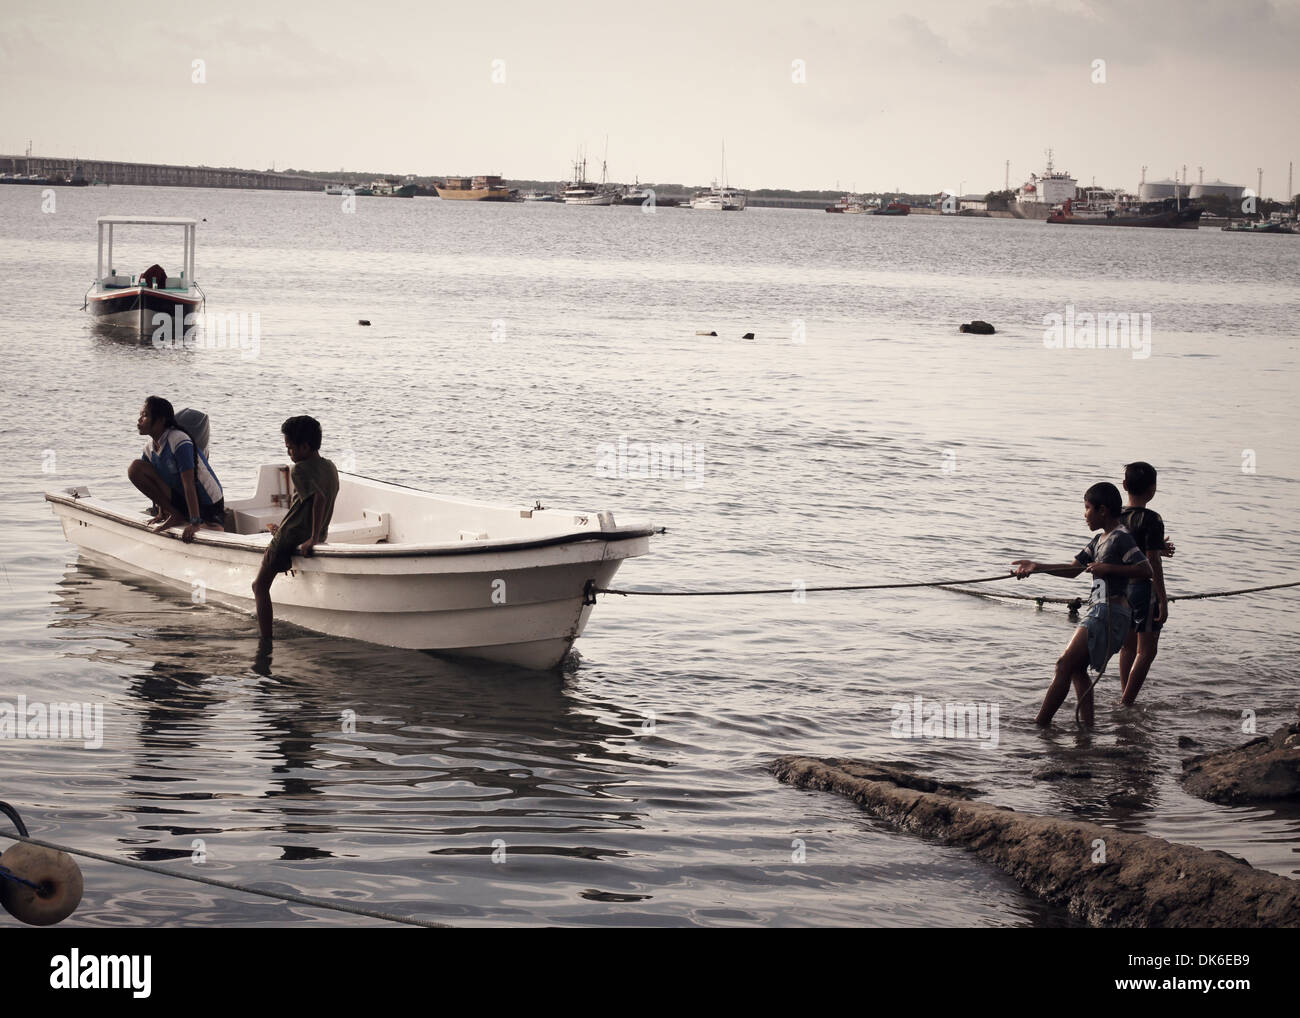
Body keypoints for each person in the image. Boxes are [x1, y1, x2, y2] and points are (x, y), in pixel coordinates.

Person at [1011, 482, 1152, 727]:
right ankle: (1087, 729)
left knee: (1064, 664)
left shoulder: (1121, 538)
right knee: (1076, 669)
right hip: (1098, 610)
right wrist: (1037, 568)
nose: (1084, 514)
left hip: (1109, 612)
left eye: (1087, 508)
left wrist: (1109, 568)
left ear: (1103, 510)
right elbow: (1073, 569)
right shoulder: (1098, 540)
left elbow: (1145, 569)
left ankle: (1040, 724)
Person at [252, 416, 339, 641]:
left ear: (305, 446)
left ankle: (265, 640)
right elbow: (317, 500)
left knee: (259, 586)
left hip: (291, 536)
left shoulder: (299, 469)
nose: (288, 453)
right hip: (315, 532)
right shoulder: (330, 466)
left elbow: (318, 499)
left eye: (290, 447)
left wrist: (311, 538)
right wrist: (317, 535)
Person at [128, 396, 225, 543]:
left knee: (136, 467)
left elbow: (189, 484)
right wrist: (161, 513)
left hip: (208, 503)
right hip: (183, 498)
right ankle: (175, 514)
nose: (139, 420)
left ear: (161, 420)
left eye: (145, 415)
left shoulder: (179, 440)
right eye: (140, 415)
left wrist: (194, 523)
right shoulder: (149, 448)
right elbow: (154, 480)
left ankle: (209, 524)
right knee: (135, 469)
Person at [1117, 462, 1168, 706]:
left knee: (1127, 647)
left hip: (1120, 588)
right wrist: (1163, 599)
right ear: (1153, 489)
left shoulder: (1117, 517)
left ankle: (1124, 696)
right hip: (1142, 589)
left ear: (1125, 485)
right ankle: (1127, 703)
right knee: (1147, 651)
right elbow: (1152, 560)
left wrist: (1158, 547)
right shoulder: (1152, 518)